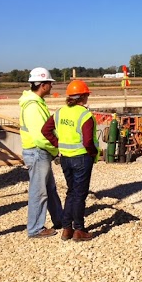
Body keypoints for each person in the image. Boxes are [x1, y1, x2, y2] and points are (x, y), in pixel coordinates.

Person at [41, 79, 96, 241]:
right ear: (83, 97)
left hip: (65, 158)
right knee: (79, 194)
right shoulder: (85, 115)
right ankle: (79, 230)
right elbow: (88, 141)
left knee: (71, 192)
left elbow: (45, 130)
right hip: (82, 158)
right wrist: (92, 153)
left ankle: (67, 229)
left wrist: (58, 144)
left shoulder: (60, 112)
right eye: (86, 95)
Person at [18, 67, 64, 238]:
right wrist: (56, 149)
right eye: (50, 83)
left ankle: (60, 219)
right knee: (39, 191)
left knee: (49, 188)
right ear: (43, 85)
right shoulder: (33, 106)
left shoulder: (36, 102)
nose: (51, 86)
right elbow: (40, 136)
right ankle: (35, 228)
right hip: (37, 152)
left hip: (39, 152)